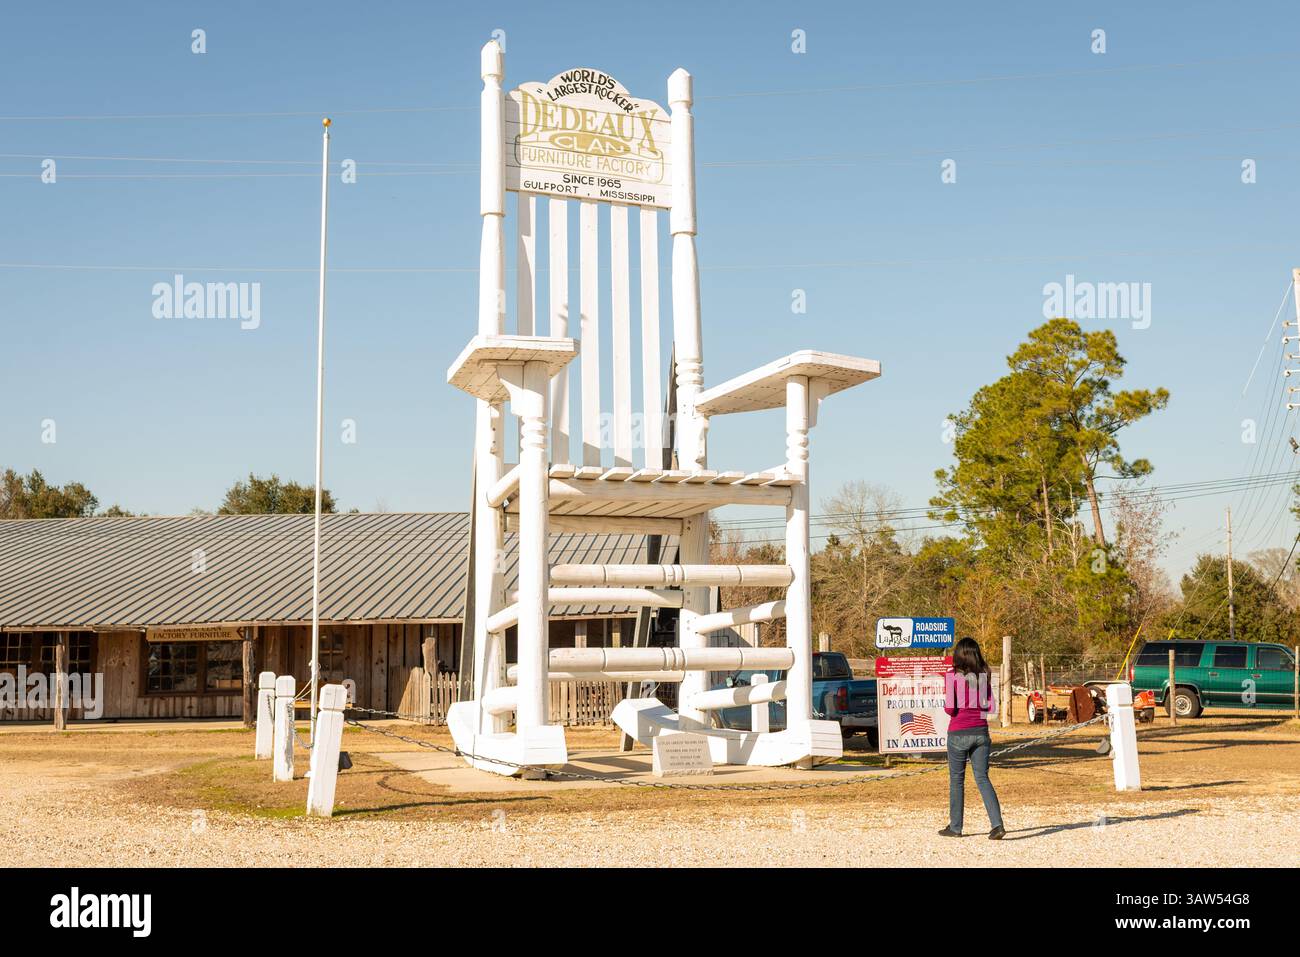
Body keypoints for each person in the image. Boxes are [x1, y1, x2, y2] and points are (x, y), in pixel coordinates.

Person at [938, 637, 1005, 839]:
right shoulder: (984, 675)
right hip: (981, 732)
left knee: (957, 781)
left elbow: (950, 709)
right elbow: (990, 707)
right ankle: (997, 824)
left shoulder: (952, 676)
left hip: (958, 731)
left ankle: (956, 827)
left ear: (958, 655)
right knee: (983, 778)